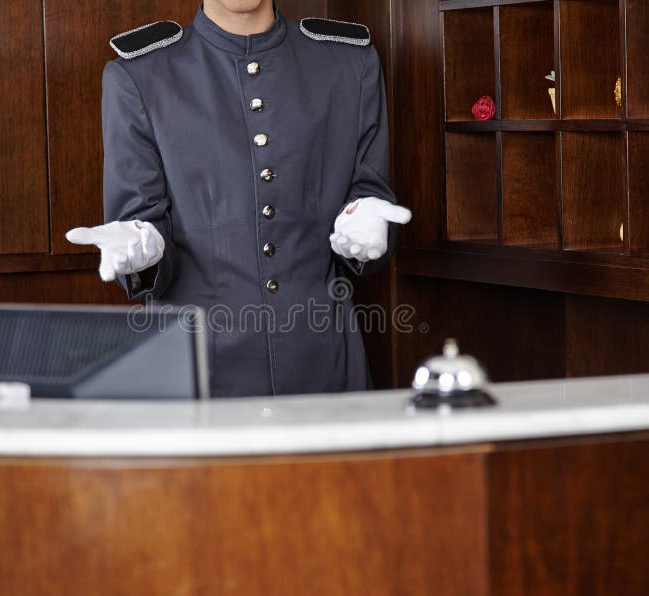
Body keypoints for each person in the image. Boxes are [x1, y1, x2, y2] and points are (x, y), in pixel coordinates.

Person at [67, 0, 411, 398]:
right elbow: (139, 220)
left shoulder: (350, 64)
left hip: (322, 364)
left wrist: (366, 224)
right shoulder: (139, 74)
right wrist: (143, 249)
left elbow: (373, 200)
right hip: (195, 372)